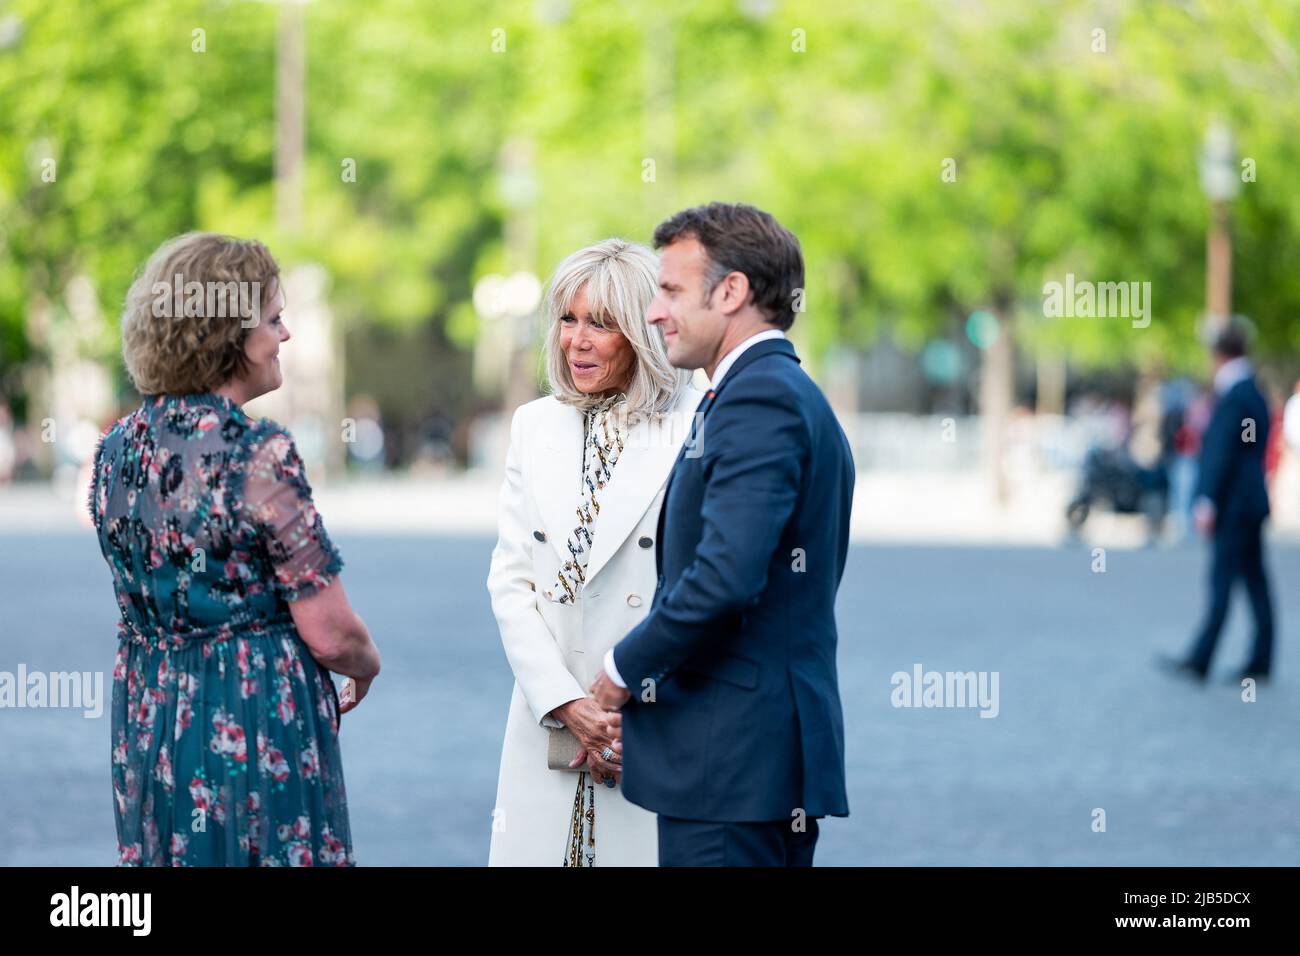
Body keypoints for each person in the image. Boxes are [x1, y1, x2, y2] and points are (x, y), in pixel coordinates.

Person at [88, 233, 380, 866]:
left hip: (151, 715)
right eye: (274, 319)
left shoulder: (117, 449)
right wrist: (366, 664)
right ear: (229, 335)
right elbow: (330, 632)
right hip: (248, 714)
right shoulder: (257, 452)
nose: (286, 336)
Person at [590, 202, 856, 866]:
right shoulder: (776, 391)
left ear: (731, 292)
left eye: (672, 290)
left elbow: (724, 577)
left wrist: (621, 670)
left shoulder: (759, 398)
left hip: (733, 766)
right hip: (748, 762)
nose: (655, 312)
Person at [486, 238, 701, 866]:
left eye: (602, 324)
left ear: (640, 333)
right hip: (546, 718)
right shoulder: (534, 424)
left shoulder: (695, 425)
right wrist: (564, 702)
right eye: (568, 318)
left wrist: (620, 706)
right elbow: (511, 582)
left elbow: (698, 589)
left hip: (646, 723)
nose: (577, 340)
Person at [1160, 325, 1274, 684]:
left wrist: (1207, 499)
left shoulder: (1236, 395)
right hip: (1250, 500)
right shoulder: (1253, 391)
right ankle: (1260, 658)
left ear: (1218, 355)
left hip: (1235, 505)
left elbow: (1223, 452)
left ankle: (1201, 658)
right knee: (1255, 580)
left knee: (1223, 581)